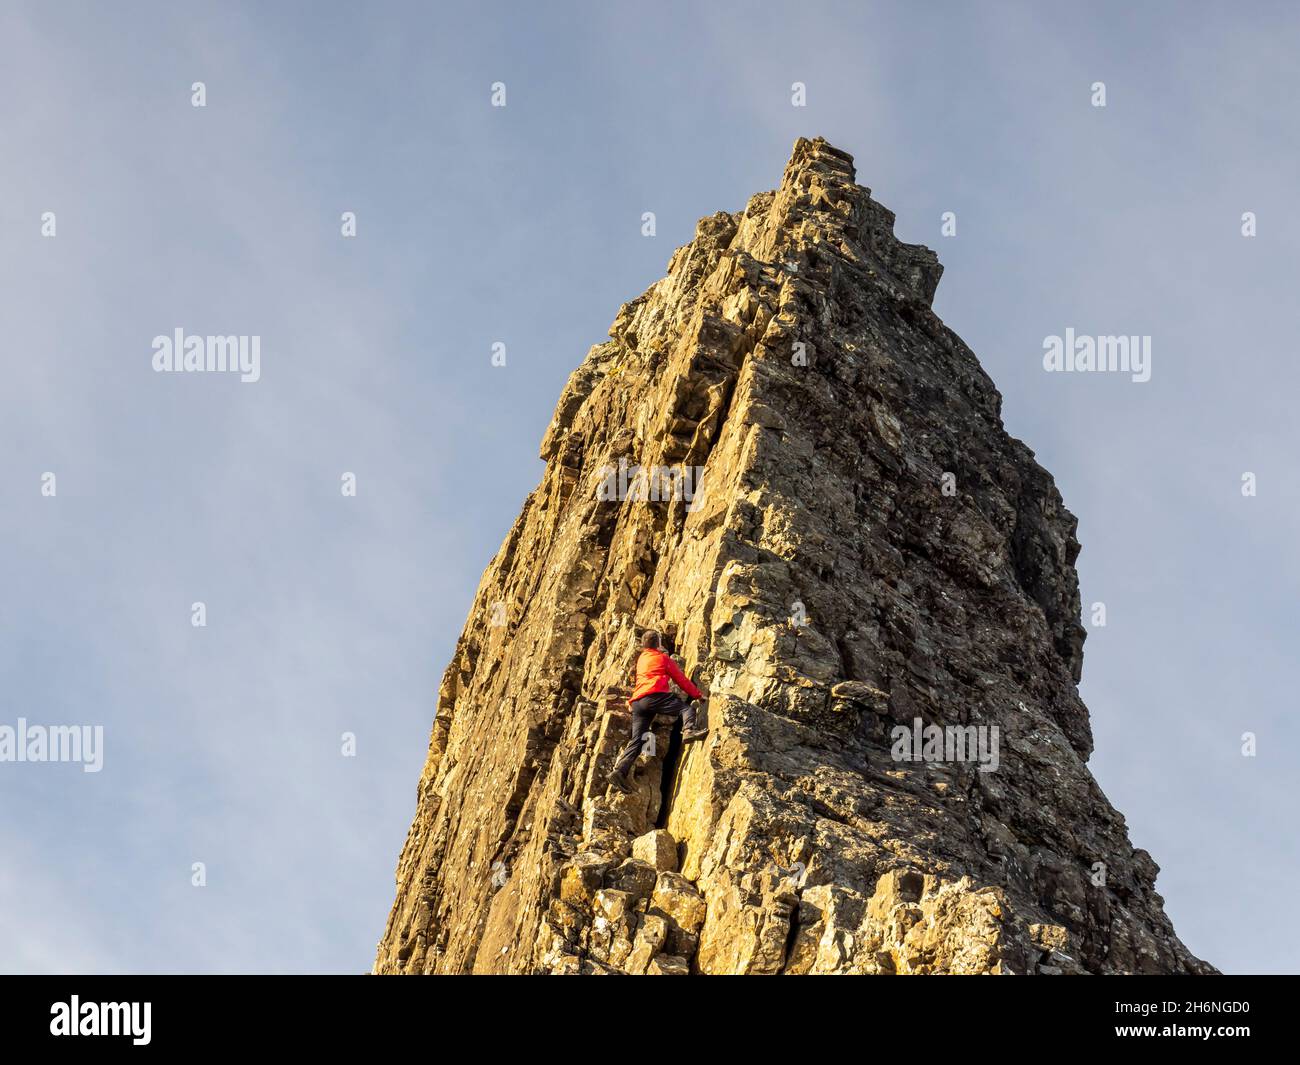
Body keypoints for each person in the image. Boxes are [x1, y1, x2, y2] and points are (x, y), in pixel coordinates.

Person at [608, 629, 707, 793]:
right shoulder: (663, 658)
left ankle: (619, 772)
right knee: (686, 709)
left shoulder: (642, 658)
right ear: (659, 643)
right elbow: (680, 679)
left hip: (638, 702)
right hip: (654, 696)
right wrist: (698, 695)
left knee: (638, 739)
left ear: (644, 645)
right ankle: (689, 730)